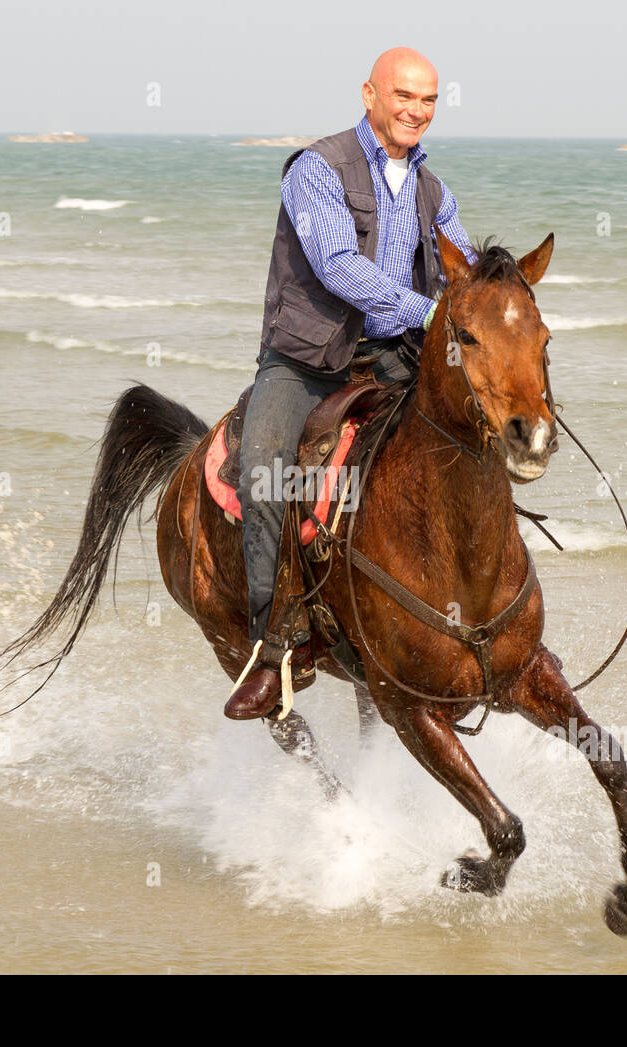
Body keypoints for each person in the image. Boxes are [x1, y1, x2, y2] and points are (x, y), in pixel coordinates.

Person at [225, 46, 477, 721]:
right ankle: (273, 649)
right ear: (369, 94)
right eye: (404, 95)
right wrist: (430, 312)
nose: (416, 111)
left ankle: (469, 628)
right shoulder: (317, 170)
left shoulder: (434, 192)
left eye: (428, 100)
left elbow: (466, 269)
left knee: (467, 449)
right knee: (264, 469)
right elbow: (337, 265)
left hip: (395, 357)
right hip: (309, 362)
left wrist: (492, 305)